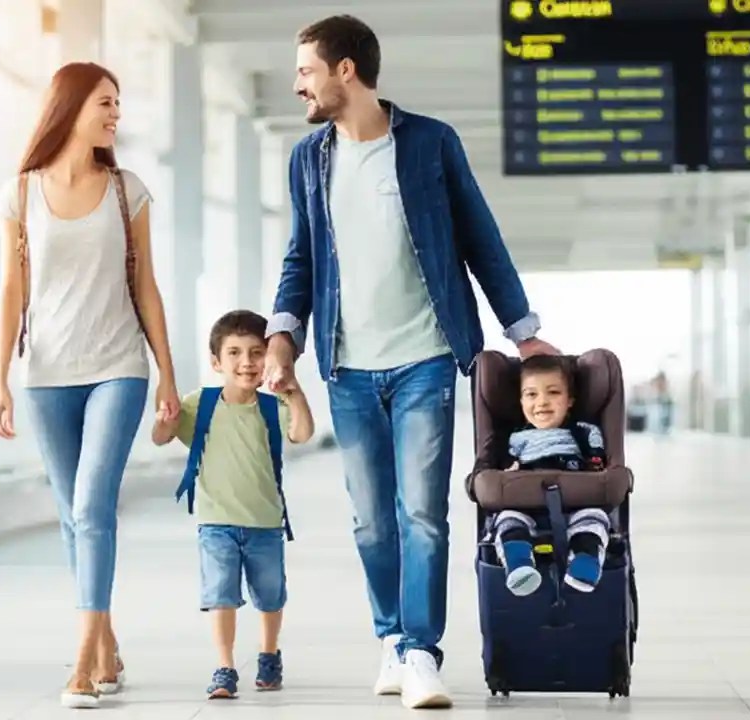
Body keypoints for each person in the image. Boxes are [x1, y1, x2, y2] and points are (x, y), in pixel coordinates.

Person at [261, 14, 559, 710]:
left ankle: (422, 652)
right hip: (347, 364)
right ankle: (392, 640)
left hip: (426, 354)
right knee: (371, 519)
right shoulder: (309, 159)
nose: (297, 83)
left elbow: (480, 238)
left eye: (306, 70)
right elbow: (300, 258)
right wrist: (284, 336)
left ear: (345, 71)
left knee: (422, 513)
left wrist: (523, 333)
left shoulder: (429, 144)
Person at [0, 62, 180, 710]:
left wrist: (168, 375)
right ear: (70, 106)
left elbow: (146, 287)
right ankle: (106, 642)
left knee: (94, 506)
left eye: (118, 105)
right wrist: (0, 382)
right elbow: (11, 293)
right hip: (45, 374)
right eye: (105, 102)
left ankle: (79, 661)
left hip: (118, 366)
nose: (115, 114)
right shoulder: (19, 193)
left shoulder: (129, 190)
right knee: (73, 516)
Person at [152, 310, 315, 699]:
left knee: (271, 595)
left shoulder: (272, 407)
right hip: (215, 522)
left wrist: (293, 390)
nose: (247, 362)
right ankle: (224, 666)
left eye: (257, 353)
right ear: (216, 362)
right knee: (220, 595)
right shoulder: (201, 405)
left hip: (265, 522)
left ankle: (268, 653)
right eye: (235, 353)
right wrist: (164, 418)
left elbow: (303, 432)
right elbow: (162, 436)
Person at [502, 355, 613, 594]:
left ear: (570, 400)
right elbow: (505, 466)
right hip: (526, 504)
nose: (542, 402)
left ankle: (585, 562)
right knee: (507, 520)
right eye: (532, 394)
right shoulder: (517, 438)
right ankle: (519, 565)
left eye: (553, 393)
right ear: (521, 401)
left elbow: (597, 459)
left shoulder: (583, 432)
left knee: (595, 519)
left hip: (575, 502)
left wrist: (594, 465)